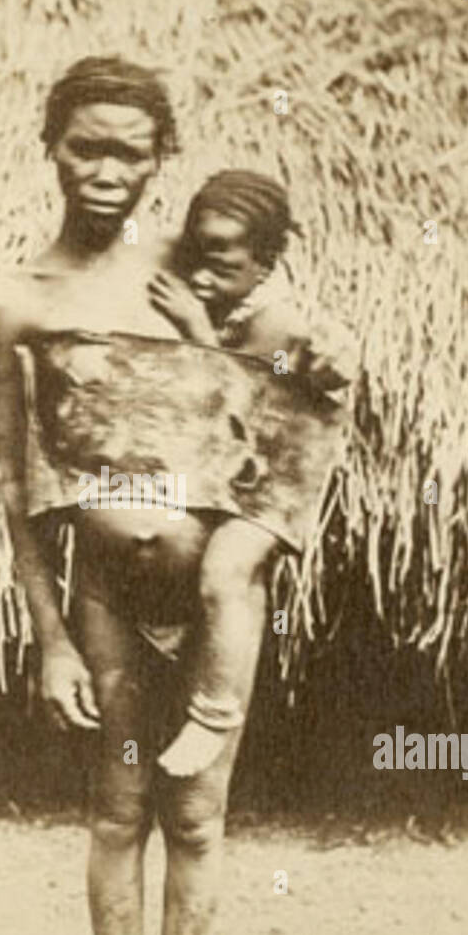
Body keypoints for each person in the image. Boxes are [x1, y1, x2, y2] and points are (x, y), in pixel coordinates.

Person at [0, 57, 334, 935]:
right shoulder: (16, 301)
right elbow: (14, 479)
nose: (105, 171)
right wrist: (49, 636)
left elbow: (297, 378)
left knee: (195, 817)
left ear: (160, 159)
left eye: (130, 153)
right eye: (85, 147)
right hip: (104, 603)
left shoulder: (197, 277)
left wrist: (268, 365)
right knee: (116, 811)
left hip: (214, 601)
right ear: (50, 146)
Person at [147, 170, 351, 778]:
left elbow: (234, 402)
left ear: (263, 264)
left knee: (227, 569)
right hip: (235, 469)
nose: (201, 278)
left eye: (221, 264)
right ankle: (174, 634)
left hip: (281, 476)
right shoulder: (234, 305)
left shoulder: (277, 321)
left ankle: (215, 714)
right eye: (195, 258)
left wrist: (194, 328)